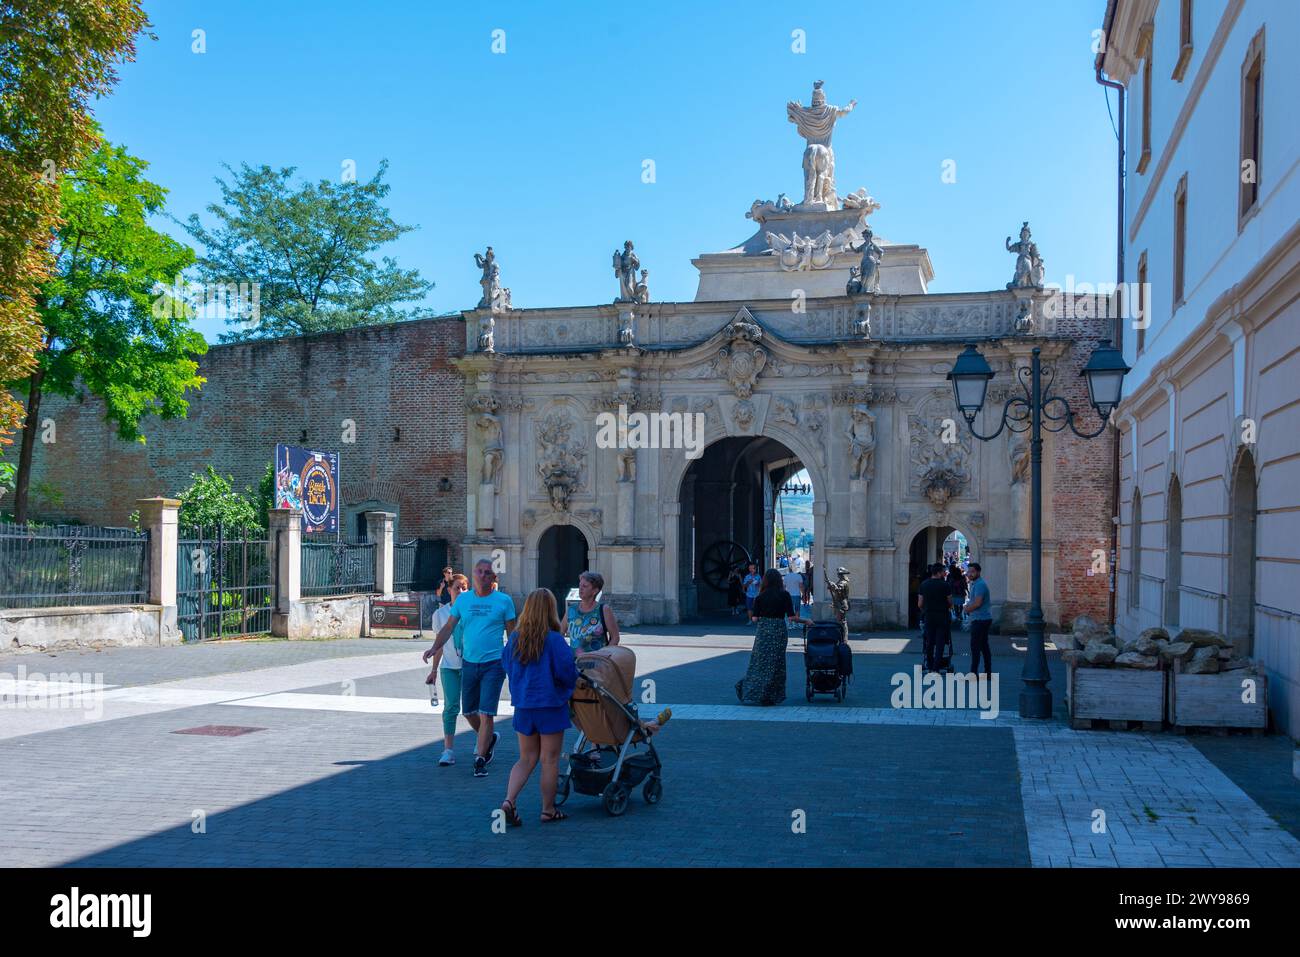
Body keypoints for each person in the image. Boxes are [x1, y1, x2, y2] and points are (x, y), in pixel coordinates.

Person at [426, 558, 517, 778]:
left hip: (494, 664)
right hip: (469, 663)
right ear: (473, 575)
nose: (483, 575)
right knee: (468, 711)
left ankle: (479, 758)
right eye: (480, 572)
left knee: (486, 713)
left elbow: (512, 635)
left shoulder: (504, 601)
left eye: (488, 573)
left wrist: (515, 663)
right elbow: (449, 627)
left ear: (493, 578)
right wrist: (434, 647)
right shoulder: (463, 601)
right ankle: (489, 739)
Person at [498, 589, 578, 826]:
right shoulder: (554, 639)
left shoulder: (515, 638)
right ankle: (548, 809)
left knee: (526, 758)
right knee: (550, 760)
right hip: (550, 705)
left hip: (524, 705)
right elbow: (567, 672)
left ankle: (509, 801)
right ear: (550, 609)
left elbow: (507, 665)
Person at [736, 568, 810, 705]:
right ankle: (772, 694)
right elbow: (792, 617)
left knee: (760, 662)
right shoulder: (785, 595)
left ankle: (753, 691)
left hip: (764, 631)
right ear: (779, 581)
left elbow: (754, 619)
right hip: (779, 630)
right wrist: (806, 621)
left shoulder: (760, 596)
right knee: (777, 663)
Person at [423, 574, 468, 765]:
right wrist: (433, 671)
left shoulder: (472, 612)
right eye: (457, 587)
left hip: (470, 666)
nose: (461, 591)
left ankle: (484, 743)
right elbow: (439, 645)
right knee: (450, 707)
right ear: (449, 590)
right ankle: (448, 750)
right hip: (449, 667)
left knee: (473, 709)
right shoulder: (440, 615)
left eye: (465, 588)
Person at [559, 570, 620, 653]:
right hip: (574, 662)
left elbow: (615, 637)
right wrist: (565, 651)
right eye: (580, 585)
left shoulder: (603, 609)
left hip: (597, 662)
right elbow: (560, 633)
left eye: (585, 586)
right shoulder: (571, 610)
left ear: (595, 591)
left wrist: (604, 655)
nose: (580, 588)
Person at [917, 563, 953, 672]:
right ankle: (936, 668)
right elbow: (950, 603)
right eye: (943, 571)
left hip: (929, 616)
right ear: (939, 572)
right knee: (940, 642)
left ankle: (929, 664)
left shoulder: (924, 584)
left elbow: (919, 604)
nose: (944, 573)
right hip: (942, 616)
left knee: (929, 642)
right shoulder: (945, 585)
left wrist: (926, 609)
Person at [963, 562, 994, 680]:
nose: (969, 574)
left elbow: (977, 603)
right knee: (983, 646)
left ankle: (973, 673)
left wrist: (966, 609)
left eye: (972, 572)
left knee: (975, 647)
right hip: (982, 618)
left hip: (980, 619)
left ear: (978, 572)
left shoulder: (980, 585)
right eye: (968, 571)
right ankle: (987, 672)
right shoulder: (976, 584)